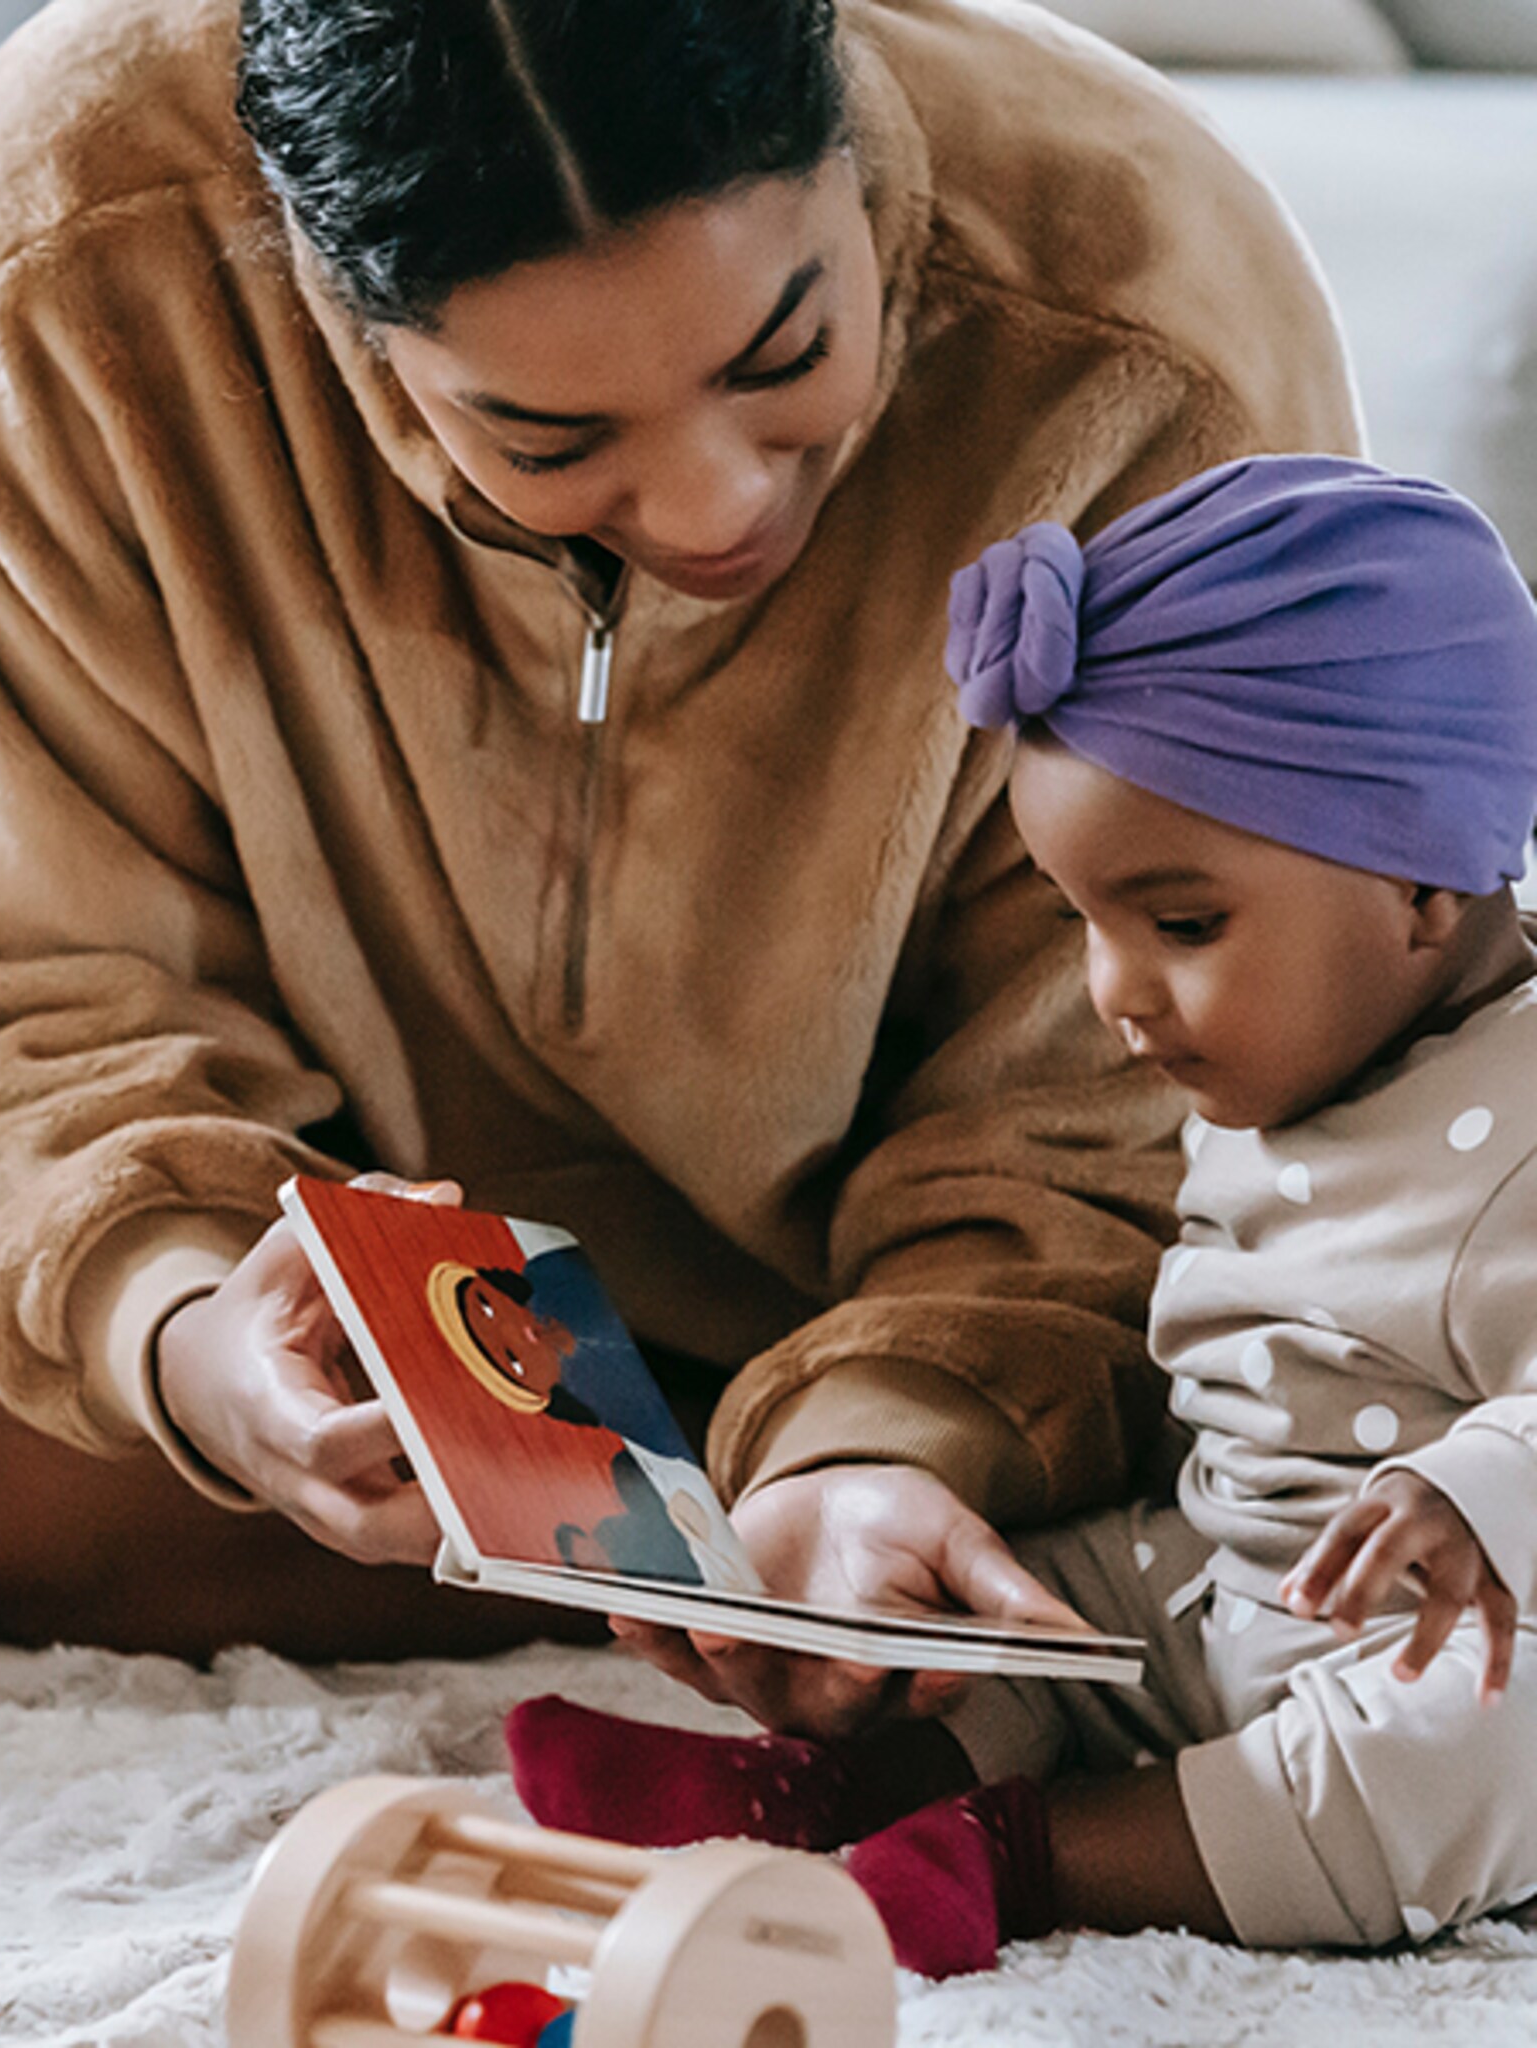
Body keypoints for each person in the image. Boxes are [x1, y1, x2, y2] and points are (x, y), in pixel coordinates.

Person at [0, 0, 1359, 1692]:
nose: (714, 506)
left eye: (787, 357)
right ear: (337, 309)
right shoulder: (71, 254)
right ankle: (771, 1554)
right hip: (364, 1285)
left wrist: (897, 1431)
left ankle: (852, 1517)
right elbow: (43, 999)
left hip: (961, 1295)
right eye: (548, 441)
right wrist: (198, 1344)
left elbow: (1141, 1105)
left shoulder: (1144, 305)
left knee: (1356, 1385)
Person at [508, 453, 1537, 1975]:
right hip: (1233, 1568)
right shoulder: (1309, 1047)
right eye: (1085, 922)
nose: (1115, 995)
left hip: (1446, 1632)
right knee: (1032, 1599)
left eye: (1182, 924)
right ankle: (830, 1792)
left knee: (1478, 1746)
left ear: (1423, 887)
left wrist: (1479, 1490)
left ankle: (1020, 1860)